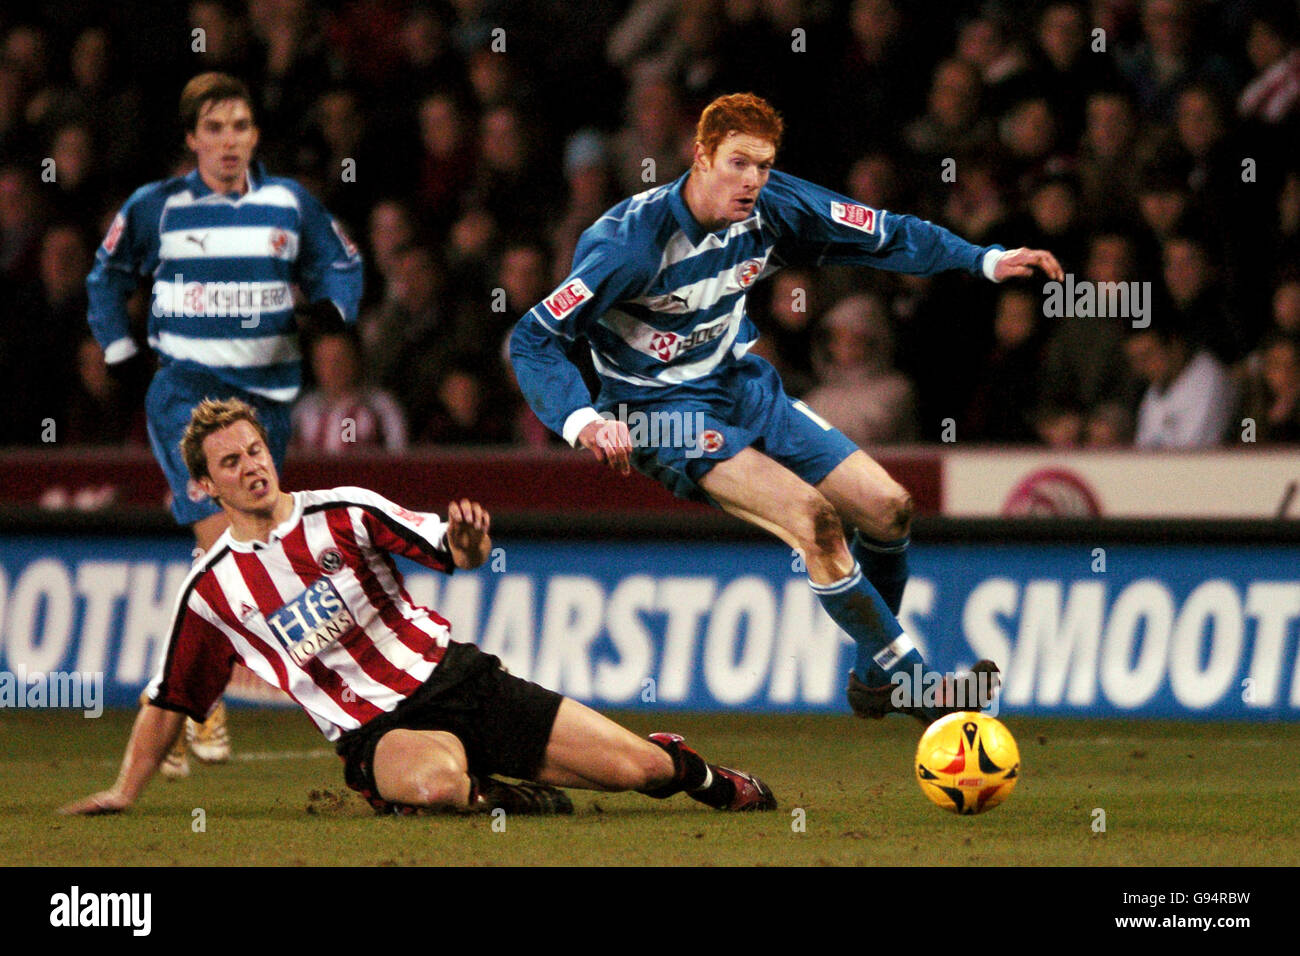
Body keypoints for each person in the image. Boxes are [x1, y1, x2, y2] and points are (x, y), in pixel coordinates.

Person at [509, 93, 1064, 724]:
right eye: (738, 163)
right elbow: (534, 339)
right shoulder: (629, 245)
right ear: (700, 156)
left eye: (764, 166)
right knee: (816, 521)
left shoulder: (772, 208)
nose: (751, 180)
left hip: (743, 385)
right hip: (660, 414)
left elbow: (885, 234)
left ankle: (873, 679)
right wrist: (584, 422)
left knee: (889, 510)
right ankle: (922, 689)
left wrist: (983, 259)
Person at [59, 398, 775, 817]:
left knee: (641, 774)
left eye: (254, 450)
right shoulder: (213, 591)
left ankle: (699, 775)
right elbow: (171, 698)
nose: (250, 466)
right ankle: (498, 795)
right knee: (435, 785)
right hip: (377, 732)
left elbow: (447, 548)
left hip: (460, 682)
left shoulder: (345, 511)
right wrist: (124, 791)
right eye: (230, 463)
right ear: (204, 489)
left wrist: (467, 540)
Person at [85, 72, 364, 777]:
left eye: (239, 126)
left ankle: (173, 699)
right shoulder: (158, 208)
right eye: (214, 128)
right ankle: (200, 704)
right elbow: (106, 276)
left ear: (255, 135)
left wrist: (333, 309)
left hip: (266, 404)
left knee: (240, 548)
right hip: (187, 395)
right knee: (223, 539)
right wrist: (120, 352)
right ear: (191, 138)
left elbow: (342, 262)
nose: (229, 140)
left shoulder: (287, 203)